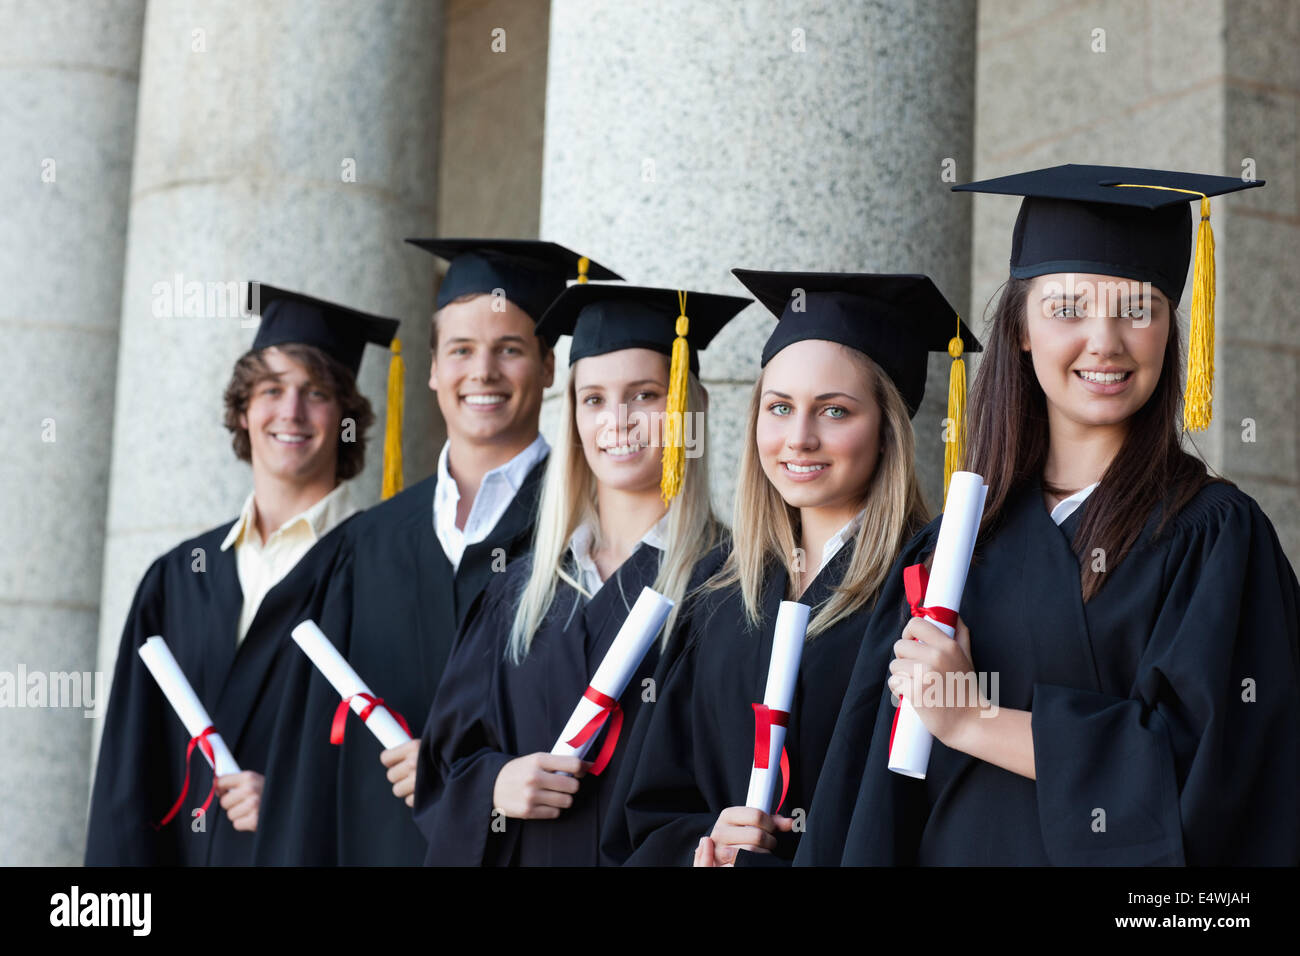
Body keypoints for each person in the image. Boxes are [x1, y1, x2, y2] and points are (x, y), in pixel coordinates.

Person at [798, 164, 1300, 866]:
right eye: (1068, 309)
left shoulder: (1217, 537)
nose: (1106, 341)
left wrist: (973, 719)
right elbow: (871, 808)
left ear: (1169, 330)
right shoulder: (944, 552)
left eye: (1138, 308)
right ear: (1023, 329)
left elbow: (1223, 779)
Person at [255, 240, 621, 865]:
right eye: (461, 350)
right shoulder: (364, 545)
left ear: (549, 368)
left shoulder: (591, 531)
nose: (483, 372)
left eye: (509, 349)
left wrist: (461, 772)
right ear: (430, 368)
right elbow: (309, 761)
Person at [610, 270, 980, 866]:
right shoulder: (718, 590)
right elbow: (649, 808)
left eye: (834, 412)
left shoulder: (933, 594)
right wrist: (702, 844)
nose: (799, 438)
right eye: (779, 407)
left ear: (888, 431)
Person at [411, 283, 750, 865]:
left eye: (644, 395)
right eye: (593, 399)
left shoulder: (731, 585)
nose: (617, 421)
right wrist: (496, 785)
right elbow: (445, 765)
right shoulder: (519, 591)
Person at [85, 283, 398, 865]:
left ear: (346, 416)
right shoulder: (177, 579)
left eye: (317, 393)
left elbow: (405, 766)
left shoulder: (384, 568)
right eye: (271, 390)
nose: (292, 412)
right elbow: (127, 778)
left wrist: (291, 802)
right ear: (243, 410)